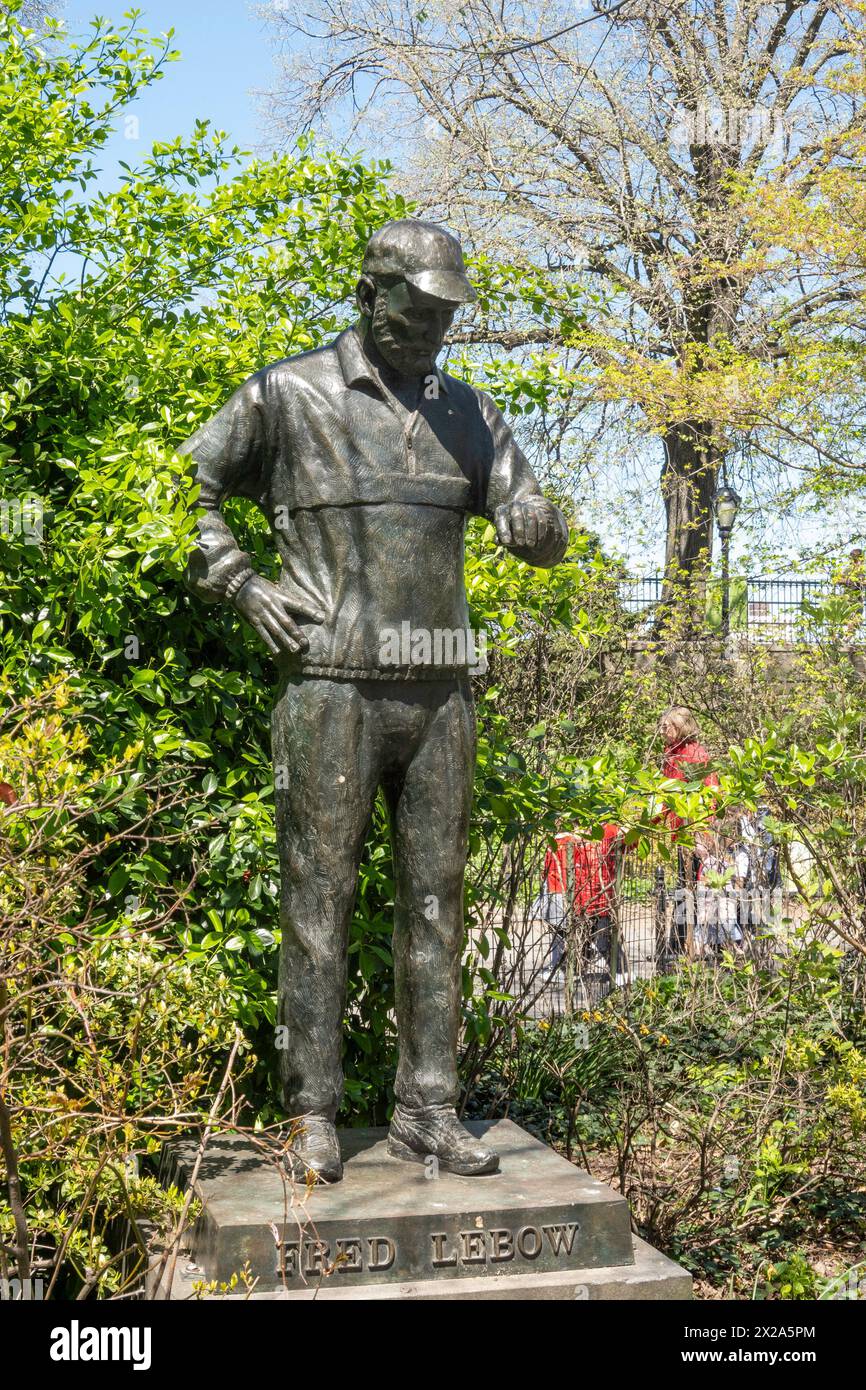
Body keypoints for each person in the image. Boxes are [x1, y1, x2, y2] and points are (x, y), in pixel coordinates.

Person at [178, 219, 569, 1181]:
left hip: (439, 691)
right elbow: (189, 492)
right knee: (320, 898)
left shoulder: (470, 415)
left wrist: (533, 519)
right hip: (331, 686)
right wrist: (238, 581)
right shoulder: (288, 392)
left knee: (437, 904)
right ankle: (308, 1112)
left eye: (447, 314)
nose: (435, 328)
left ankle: (428, 1109)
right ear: (372, 293)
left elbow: (541, 521)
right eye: (420, 308)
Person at [658, 706, 720, 955]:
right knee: (685, 885)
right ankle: (680, 942)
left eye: (667, 725)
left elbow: (710, 794)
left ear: (681, 727)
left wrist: (702, 835)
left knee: (693, 887)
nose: (662, 729)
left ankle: (690, 943)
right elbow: (664, 794)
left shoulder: (695, 754)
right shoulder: (670, 753)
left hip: (692, 830)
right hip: (680, 831)